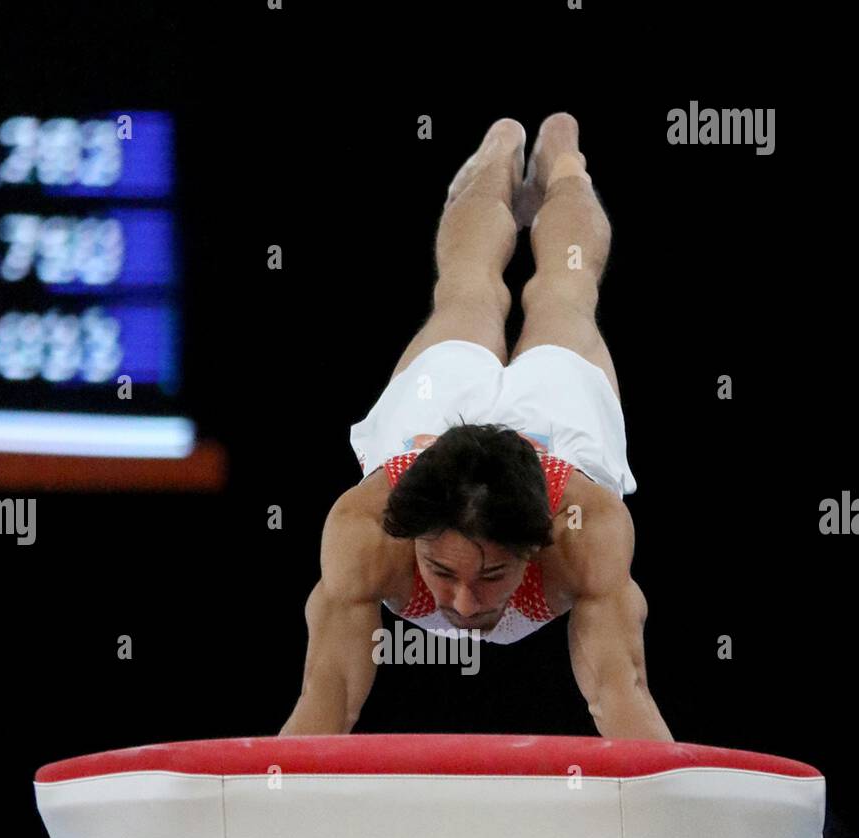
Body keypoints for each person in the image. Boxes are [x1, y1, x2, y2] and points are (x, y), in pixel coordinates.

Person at [280, 113, 673, 741]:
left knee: (565, 291)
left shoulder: (584, 533)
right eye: (440, 570)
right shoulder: (365, 531)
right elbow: (326, 705)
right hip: (435, 423)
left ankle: (564, 160)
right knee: (467, 289)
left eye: (491, 575)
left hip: (555, 433)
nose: (464, 605)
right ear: (409, 537)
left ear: (538, 544)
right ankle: (500, 150)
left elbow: (620, 699)